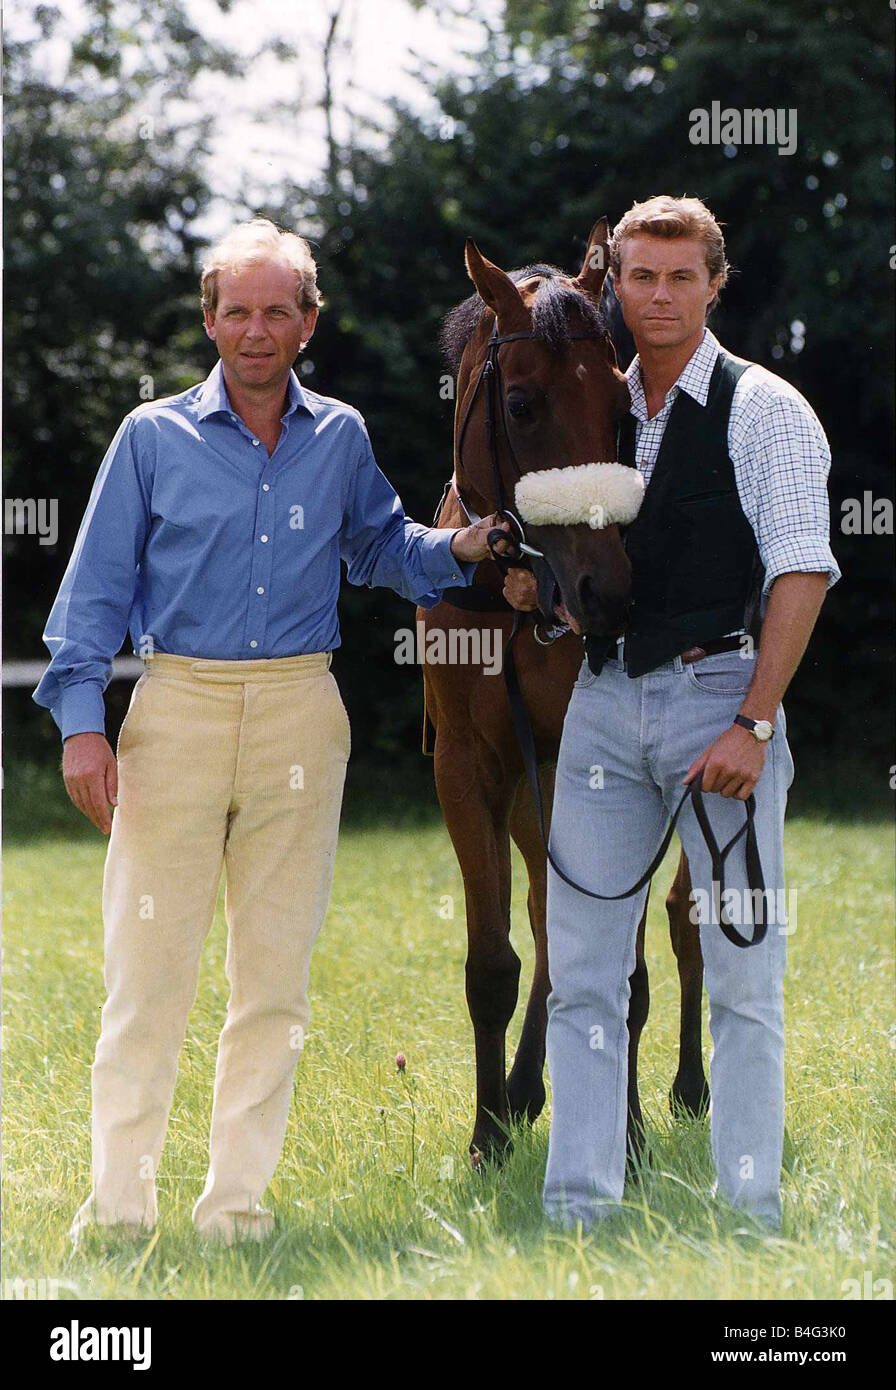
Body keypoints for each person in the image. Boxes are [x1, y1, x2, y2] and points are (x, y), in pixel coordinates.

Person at [34, 218, 504, 1244]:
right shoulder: (151, 437)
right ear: (210, 319)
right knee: (147, 977)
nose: (255, 329)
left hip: (301, 710)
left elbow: (383, 546)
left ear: (307, 323)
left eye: (276, 310)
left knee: (273, 985)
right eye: (236, 310)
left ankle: (235, 1211)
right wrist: (83, 725)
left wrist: (462, 544)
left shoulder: (338, 435)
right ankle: (118, 1214)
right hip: (177, 711)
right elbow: (94, 592)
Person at [503, 195, 840, 1230]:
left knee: (739, 971)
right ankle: (578, 1213)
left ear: (713, 284)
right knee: (583, 977)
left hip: (716, 702)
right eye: (638, 277)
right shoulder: (601, 408)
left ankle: (749, 1208)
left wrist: (753, 721)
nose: (656, 296)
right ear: (613, 281)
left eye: (678, 277)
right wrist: (536, 593)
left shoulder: (761, 407)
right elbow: (594, 568)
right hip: (602, 701)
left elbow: (799, 570)